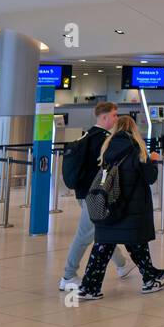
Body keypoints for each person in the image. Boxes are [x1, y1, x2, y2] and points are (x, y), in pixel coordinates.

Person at [77, 115, 164, 300]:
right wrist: (154, 161)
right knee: (137, 243)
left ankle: (89, 287)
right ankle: (150, 279)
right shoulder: (137, 150)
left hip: (108, 205)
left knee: (102, 247)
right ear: (133, 129)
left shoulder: (106, 148)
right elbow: (150, 178)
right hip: (131, 208)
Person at [58, 102, 129, 291]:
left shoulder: (87, 136)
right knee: (85, 234)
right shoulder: (104, 140)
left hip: (84, 192)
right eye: (114, 115)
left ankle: (122, 264)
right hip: (95, 195)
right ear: (104, 117)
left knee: (102, 229)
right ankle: (68, 275)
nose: (116, 118)